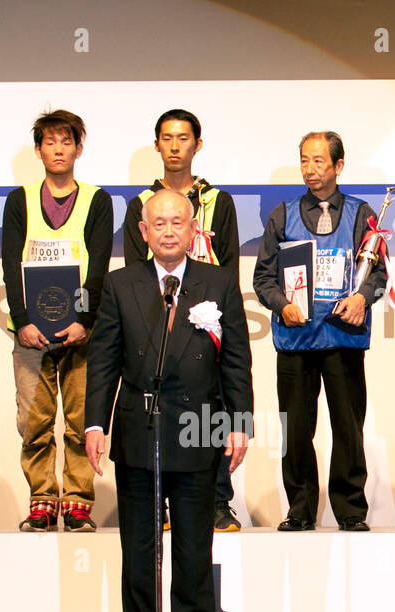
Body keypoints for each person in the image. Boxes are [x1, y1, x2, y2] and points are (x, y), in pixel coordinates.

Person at [85, 189, 252, 612]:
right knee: (139, 549)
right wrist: (97, 422)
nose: (168, 231)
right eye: (158, 223)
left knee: (194, 549)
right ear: (142, 230)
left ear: (193, 226)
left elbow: (236, 360)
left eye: (178, 222)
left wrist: (239, 421)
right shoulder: (121, 285)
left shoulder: (218, 282)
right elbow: (103, 362)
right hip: (140, 427)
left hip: (200, 427)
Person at [253, 130, 386, 532]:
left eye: (319, 161)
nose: (310, 170)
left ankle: (349, 510)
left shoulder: (362, 213)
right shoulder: (283, 214)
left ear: (338, 166)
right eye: (305, 161)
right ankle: (300, 508)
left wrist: (363, 297)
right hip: (296, 340)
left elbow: (378, 273)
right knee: (296, 429)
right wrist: (283, 305)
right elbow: (263, 278)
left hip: (343, 337)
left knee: (348, 426)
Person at [123, 108, 243, 531]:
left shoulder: (218, 202)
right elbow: (135, 273)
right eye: (167, 138)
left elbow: (229, 266)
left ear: (198, 144)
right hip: (159, 319)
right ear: (157, 145)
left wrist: (220, 313)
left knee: (214, 401)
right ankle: (163, 504)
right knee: (161, 404)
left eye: (184, 138)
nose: (175, 147)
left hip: (209, 314)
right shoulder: (141, 204)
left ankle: (217, 499)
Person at [1, 109, 113, 532]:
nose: (59, 149)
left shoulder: (97, 200)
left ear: (79, 148)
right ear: (38, 150)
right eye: (50, 141)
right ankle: (43, 499)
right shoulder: (20, 200)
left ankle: (80, 501)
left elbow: (98, 265)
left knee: (83, 422)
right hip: (30, 334)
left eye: (67, 141)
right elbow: (11, 264)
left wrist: (84, 319)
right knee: (33, 421)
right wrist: (22, 320)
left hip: (82, 333)